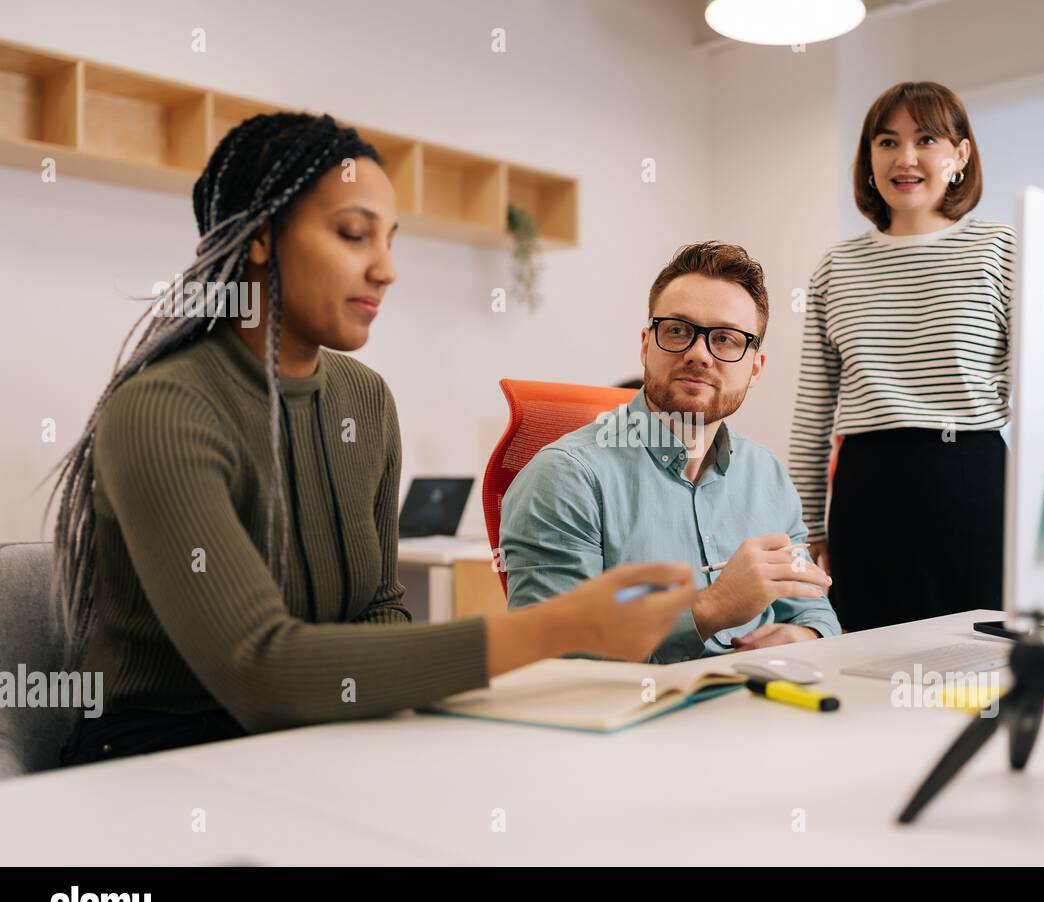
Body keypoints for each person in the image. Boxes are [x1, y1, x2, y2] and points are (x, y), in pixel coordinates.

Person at [45, 112, 694, 764]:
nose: (386, 270)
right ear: (262, 237)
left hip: (318, 741)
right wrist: (560, 625)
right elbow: (258, 669)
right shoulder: (164, 410)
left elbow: (381, 607)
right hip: (160, 762)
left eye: (391, 240)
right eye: (354, 234)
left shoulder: (364, 399)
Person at [500, 241, 839, 664]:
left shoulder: (768, 477)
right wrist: (710, 609)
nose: (699, 354)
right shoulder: (565, 477)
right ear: (646, 346)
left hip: (757, 713)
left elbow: (812, 607)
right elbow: (552, 655)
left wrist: (805, 634)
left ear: (754, 369)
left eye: (726, 339)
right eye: (678, 330)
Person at [789, 81, 1016, 633]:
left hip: (974, 479)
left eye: (927, 139)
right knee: (869, 659)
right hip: (869, 488)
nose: (905, 158)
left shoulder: (1001, 249)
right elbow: (812, 412)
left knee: (982, 658)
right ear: (869, 158)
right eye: (887, 142)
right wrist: (805, 530)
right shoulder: (835, 267)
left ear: (960, 155)